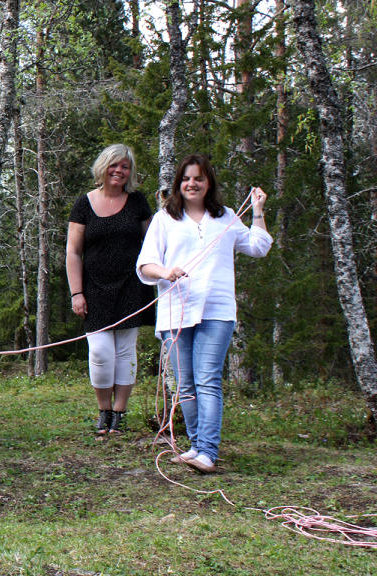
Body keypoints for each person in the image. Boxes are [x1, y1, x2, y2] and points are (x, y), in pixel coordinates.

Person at [137, 154, 270, 473]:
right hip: (176, 311)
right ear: (178, 183)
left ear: (208, 182)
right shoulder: (165, 219)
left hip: (217, 310)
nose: (192, 184)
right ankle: (197, 446)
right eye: (186, 178)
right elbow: (145, 264)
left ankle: (208, 451)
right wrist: (166, 272)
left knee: (208, 379)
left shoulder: (225, 217)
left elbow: (258, 247)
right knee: (185, 385)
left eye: (198, 178)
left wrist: (258, 211)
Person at [65, 144, 155, 436]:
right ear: (103, 167)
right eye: (114, 165)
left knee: (126, 352)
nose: (119, 171)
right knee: (101, 352)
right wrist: (76, 293)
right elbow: (73, 252)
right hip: (93, 288)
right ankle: (103, 411)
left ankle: (119, 414)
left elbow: (154, 243)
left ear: (130, 172)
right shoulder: (84, 203)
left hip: (132, 286)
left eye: (125, 167)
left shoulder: (138, 202)